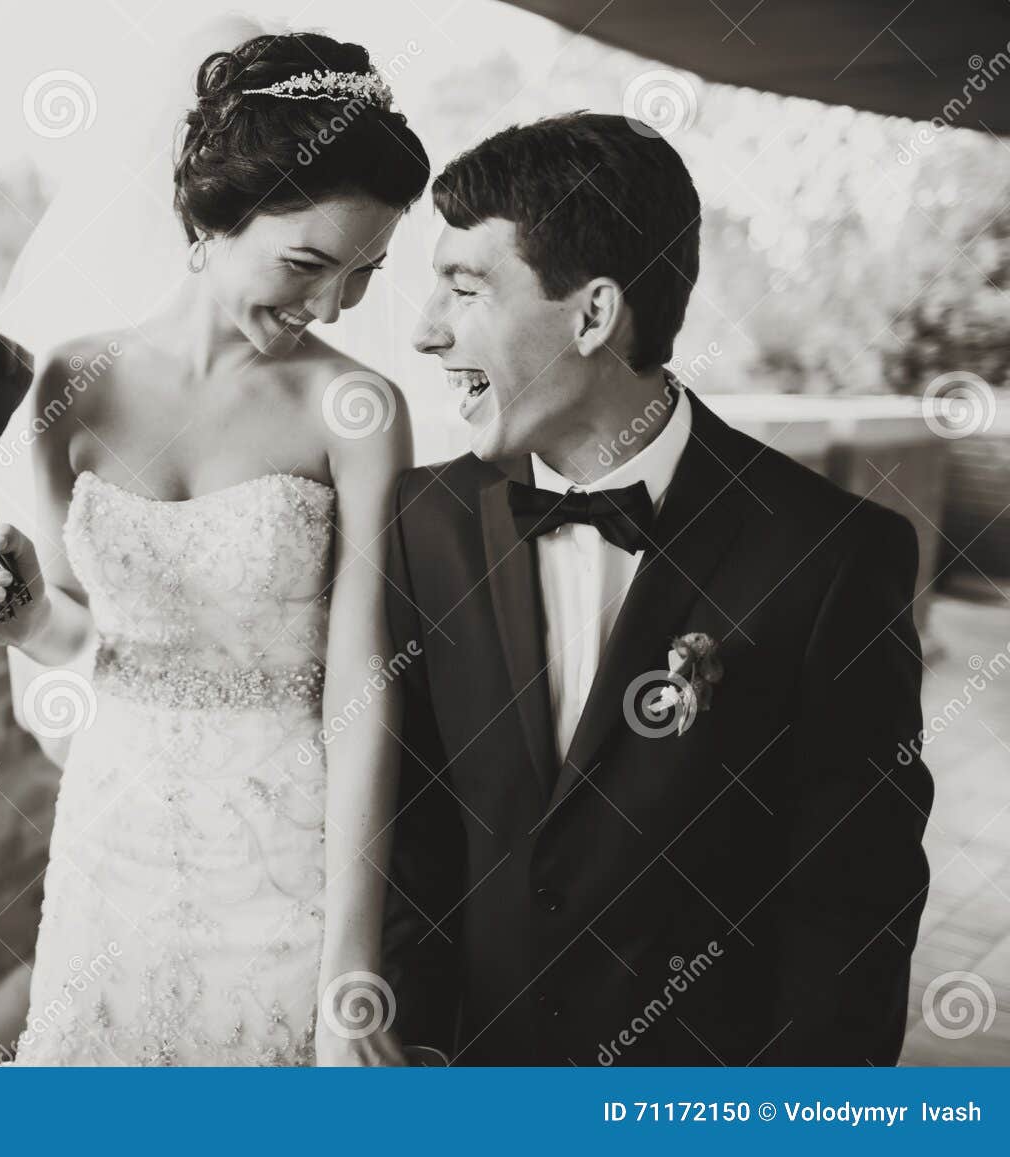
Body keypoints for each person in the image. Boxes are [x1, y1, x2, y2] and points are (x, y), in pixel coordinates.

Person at [384, 111, 934, 1064]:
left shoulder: (834, 554)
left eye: (464, 289)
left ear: (593, 314)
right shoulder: (418, 522)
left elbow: (851, 905)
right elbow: (408, 842)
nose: (425, 332)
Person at [0, 31, 430, 1065]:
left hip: (288, 861)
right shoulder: (73, 383)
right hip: (113, 841)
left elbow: (363, 680)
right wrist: (21, 614)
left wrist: (352, 965)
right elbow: (77, 633)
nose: (332, 305)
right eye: (308, 263)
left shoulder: (358, 410)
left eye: (364, 274)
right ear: (214, 215)